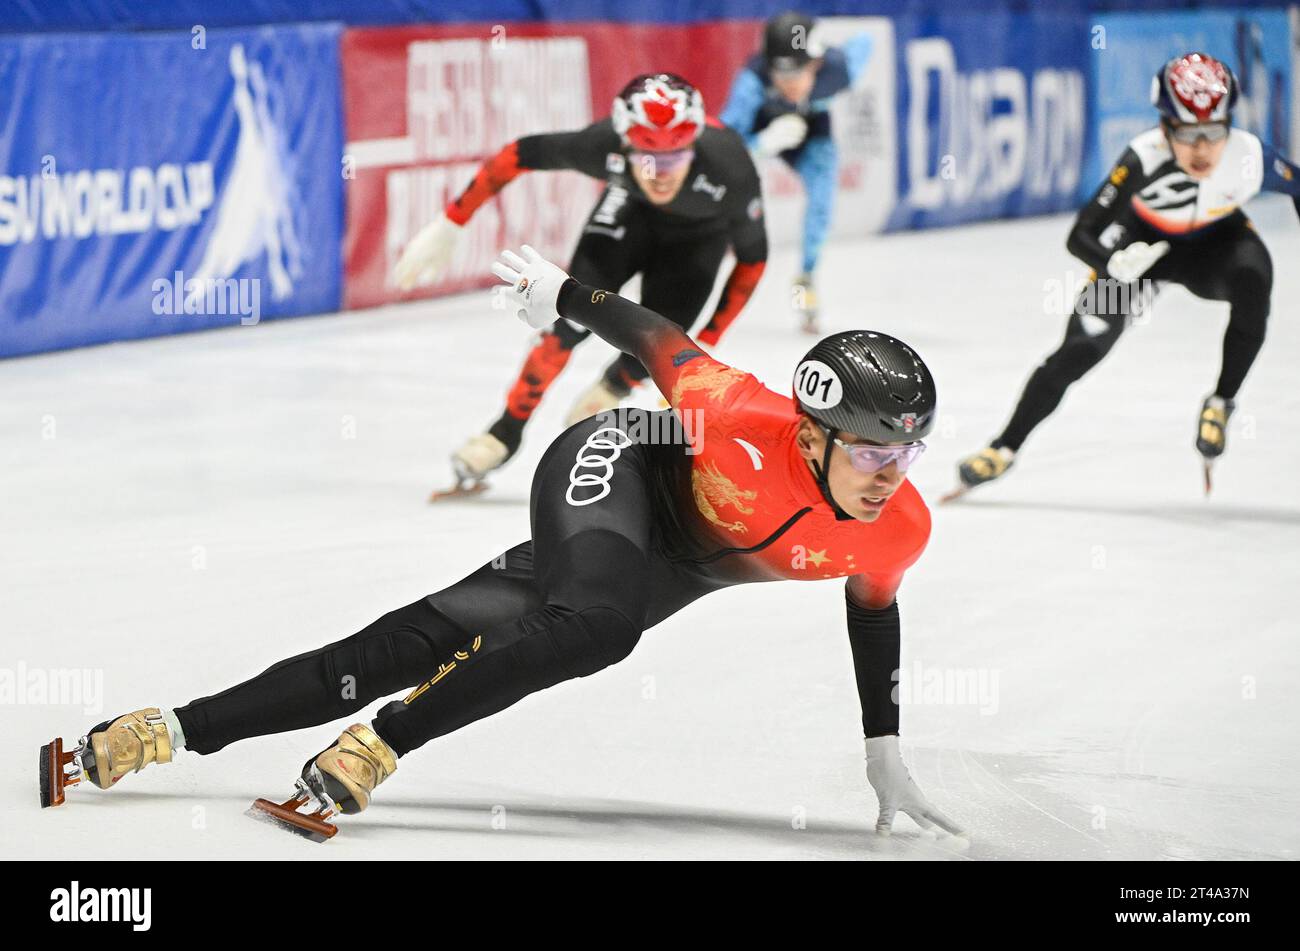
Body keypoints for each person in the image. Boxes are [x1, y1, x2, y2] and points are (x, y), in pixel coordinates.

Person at [42, 245, 964, 844]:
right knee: (599, 624)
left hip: (664, 564)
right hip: (620, 466)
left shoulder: (902, 524)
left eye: (909, 450)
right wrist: (560, 294)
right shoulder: (733, 411)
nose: (893, 471)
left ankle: (158, 730)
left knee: (414, 644)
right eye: (875, 448)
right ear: (813, 433)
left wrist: (882, 749)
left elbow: (872, 611)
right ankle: (377, 746)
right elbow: (653, 336)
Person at [394, 73, 768, 495]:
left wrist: (710, 339)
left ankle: (617, 382)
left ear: (694, 146)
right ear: (623, 146)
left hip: (697, 240)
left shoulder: (730, 167)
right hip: (628, 213)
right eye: (647, 159)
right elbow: (518, 154)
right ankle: (505, 432)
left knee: (656, 350)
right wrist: (452, 222)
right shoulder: (599, 144)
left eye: (674, 160)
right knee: (566, 319)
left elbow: (753, 261)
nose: (661, 175)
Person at [952, 53, 1300, 498]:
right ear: (1165, 128)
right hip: (1138, 251)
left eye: (1213, 134)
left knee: (1255, 276)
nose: (1201, 150)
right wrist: (1114, 264)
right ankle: (1003, 446)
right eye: (1187, 135)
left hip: (1215, 247)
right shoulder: (1142, 157)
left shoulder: (1249, 156)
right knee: (1080, 350)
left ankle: (1220, 402)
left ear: (1230, 125)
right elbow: (1080, 235)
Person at [720, 10, 873, 333]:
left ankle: (805, 286)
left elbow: (865, 42)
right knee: (722, 180)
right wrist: (760, 143)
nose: (789, 86)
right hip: (759, 130)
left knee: (821, 201)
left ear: (816, 65)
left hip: (811, 135)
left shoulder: (839, 68)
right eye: (780, 76)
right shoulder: (752, 81)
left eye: (797, 76)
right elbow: (719, 146)